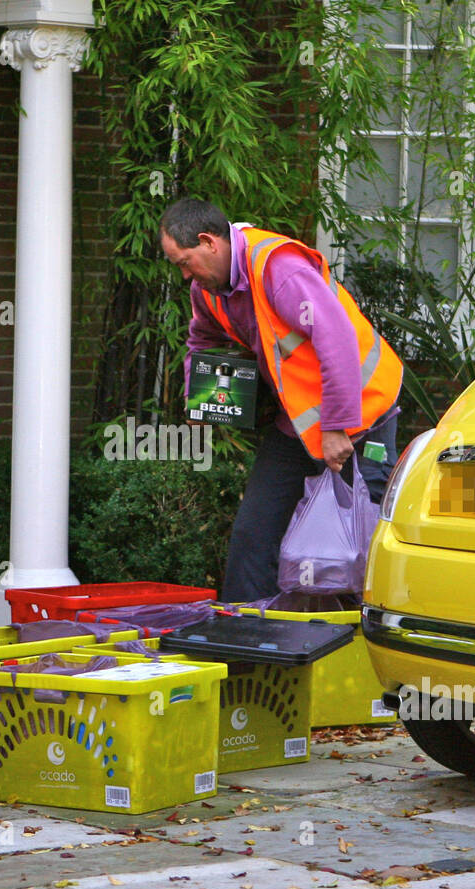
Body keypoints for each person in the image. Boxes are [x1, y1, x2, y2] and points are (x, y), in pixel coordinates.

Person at [159, 198, 404, 602]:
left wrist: (336, 427)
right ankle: (245, 638)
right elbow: (202, 341)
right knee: (254, 534)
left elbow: (337, 338)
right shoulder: (210, 289)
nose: (184, 274)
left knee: (360, 542)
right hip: (299, 424)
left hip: (362, 414)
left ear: (209, 242)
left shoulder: (279, 268)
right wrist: (199, 401)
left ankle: (360, 644)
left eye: (184, 261)